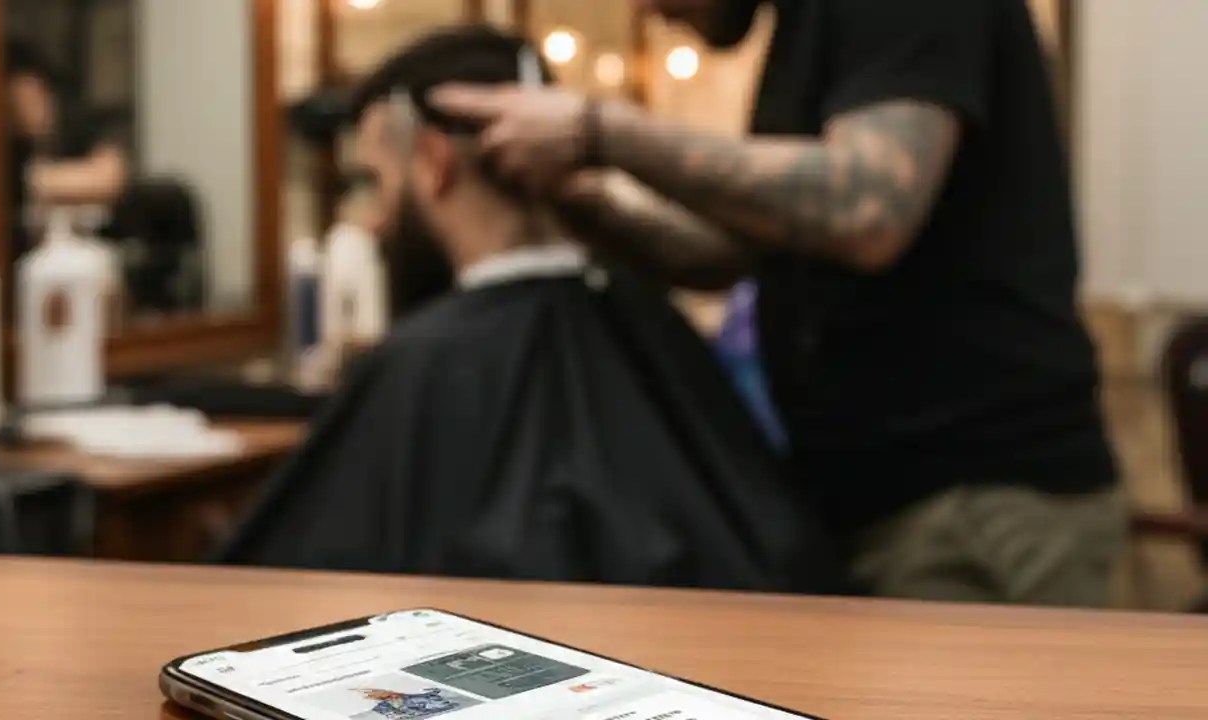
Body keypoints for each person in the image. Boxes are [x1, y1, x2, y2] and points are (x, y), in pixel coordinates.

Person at [431, 0, 1122, 606]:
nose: (644, 8)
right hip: (887, 506)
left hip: (977, 512)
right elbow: (732, 257)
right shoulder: (805, 26)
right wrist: (587, 206)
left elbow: (867, 209)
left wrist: (601, 131)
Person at [218, 26, 839, 594]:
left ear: (434, 163)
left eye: (379, 181)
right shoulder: (646, 322)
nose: (376, 222)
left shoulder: (423, 364)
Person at [6, 40, 128, 258]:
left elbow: (111, 177)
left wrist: (37, 182)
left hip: (91, 248)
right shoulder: (5, 148)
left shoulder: (74, 122)